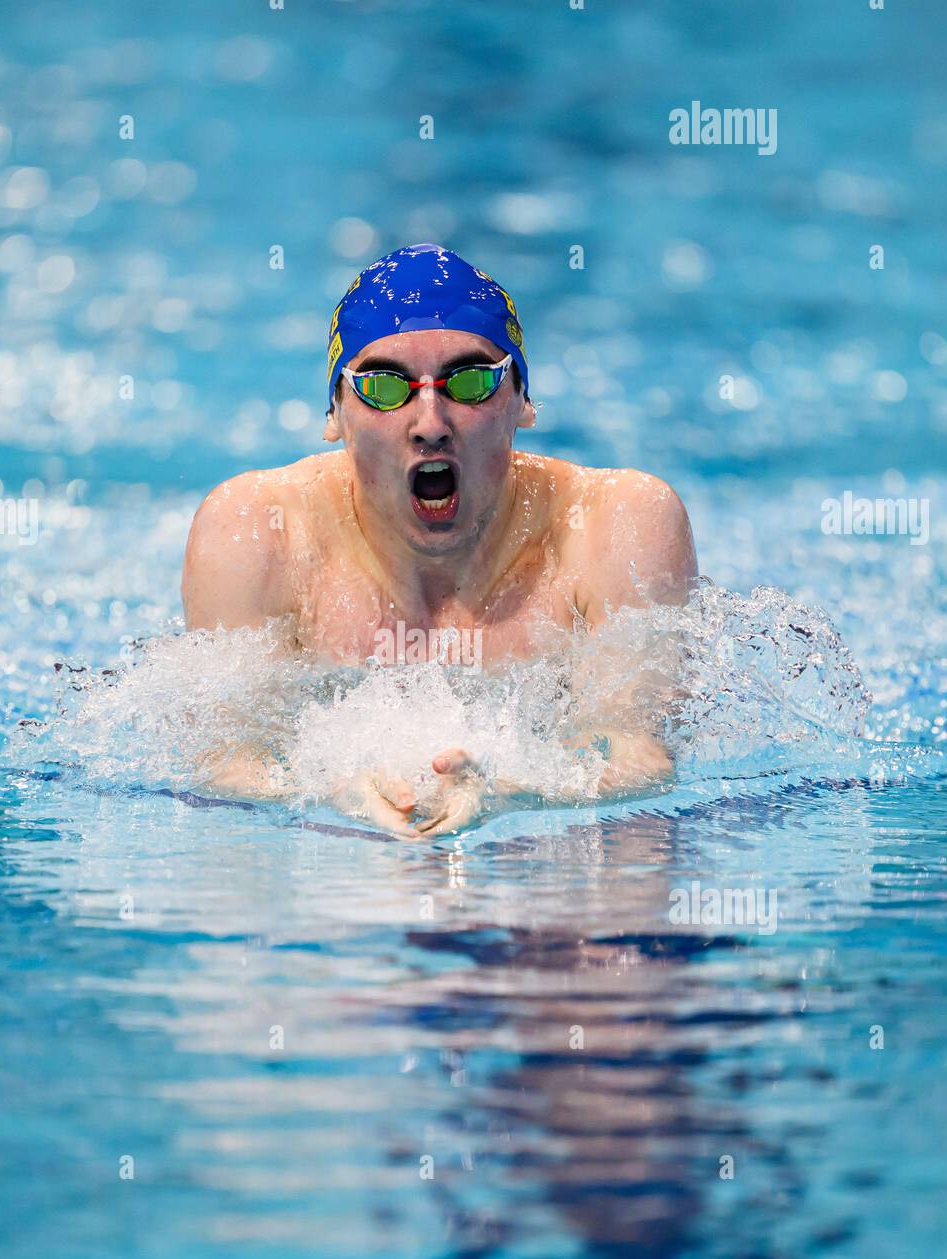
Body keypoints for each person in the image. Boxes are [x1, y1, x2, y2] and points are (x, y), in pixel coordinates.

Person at [182, 244, 697, 835]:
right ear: (335, 415)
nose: (430, 424)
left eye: (471, 381)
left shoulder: (616, 523)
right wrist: (330, 795)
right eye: (383, 387)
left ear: (521, 402)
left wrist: (514, 792)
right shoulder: (259, 531)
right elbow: (224, 763)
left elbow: (640, 757)